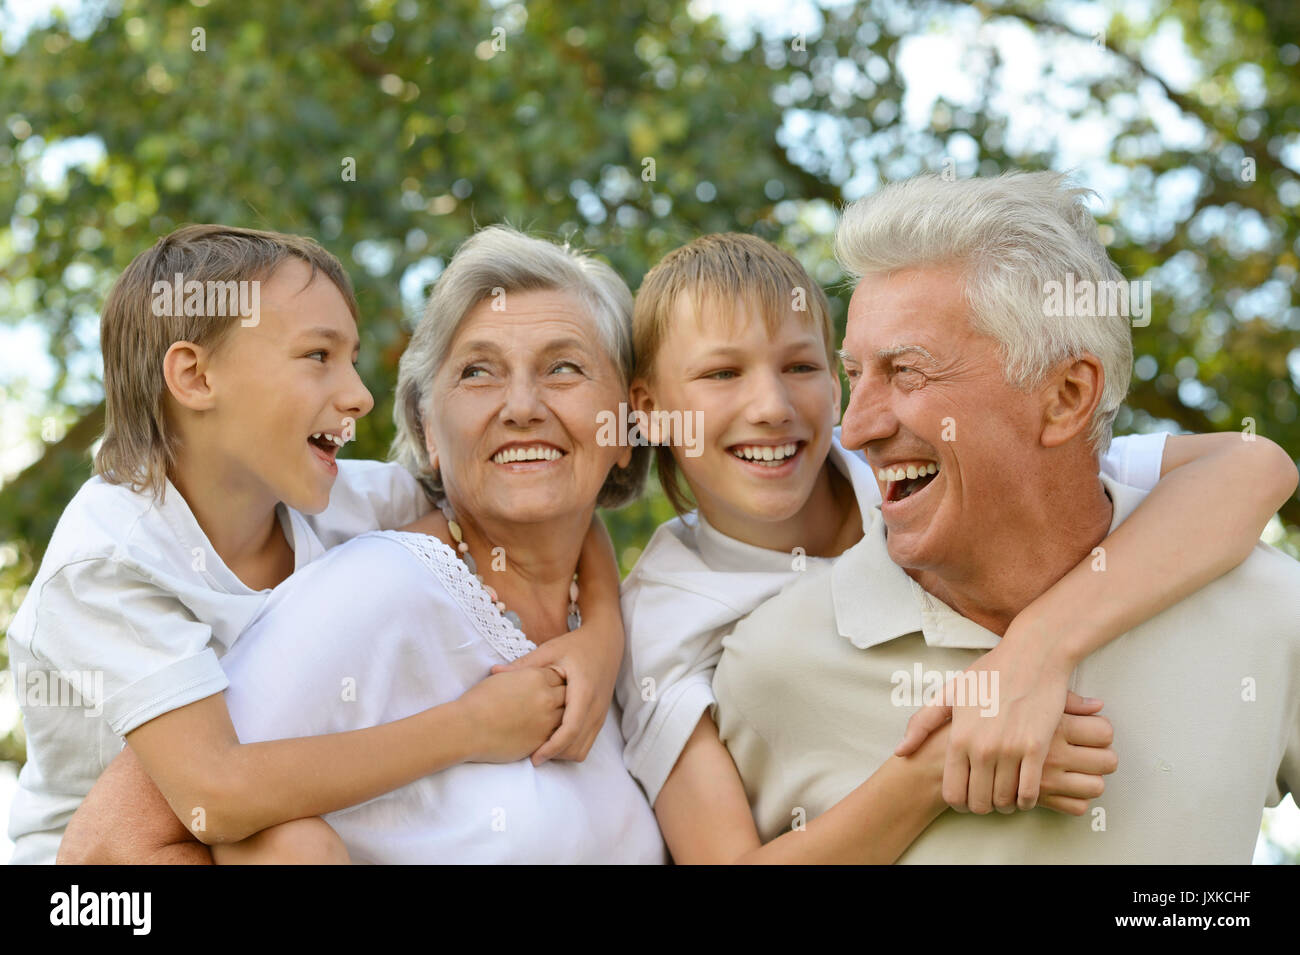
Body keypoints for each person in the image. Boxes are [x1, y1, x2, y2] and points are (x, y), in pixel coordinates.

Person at [616, 226, 1297, 862]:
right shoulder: (663, 620)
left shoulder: (912, 468)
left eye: (801, 367)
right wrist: (937, 768)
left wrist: (1035, 649)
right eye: (720, 374)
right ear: (647, 408)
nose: (771, 405)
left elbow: (1254, 464)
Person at [13, 225, 626, 865]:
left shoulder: (344, 501)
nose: (360, 395)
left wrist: (601, 633)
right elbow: (213, 794)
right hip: (96, 874)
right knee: (295, 846)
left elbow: (533, 496)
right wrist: (470, 728)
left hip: (241, 826)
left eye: (354, 359)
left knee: (294, 841)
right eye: (318, 357)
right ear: (195, 377)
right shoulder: (107, 561)